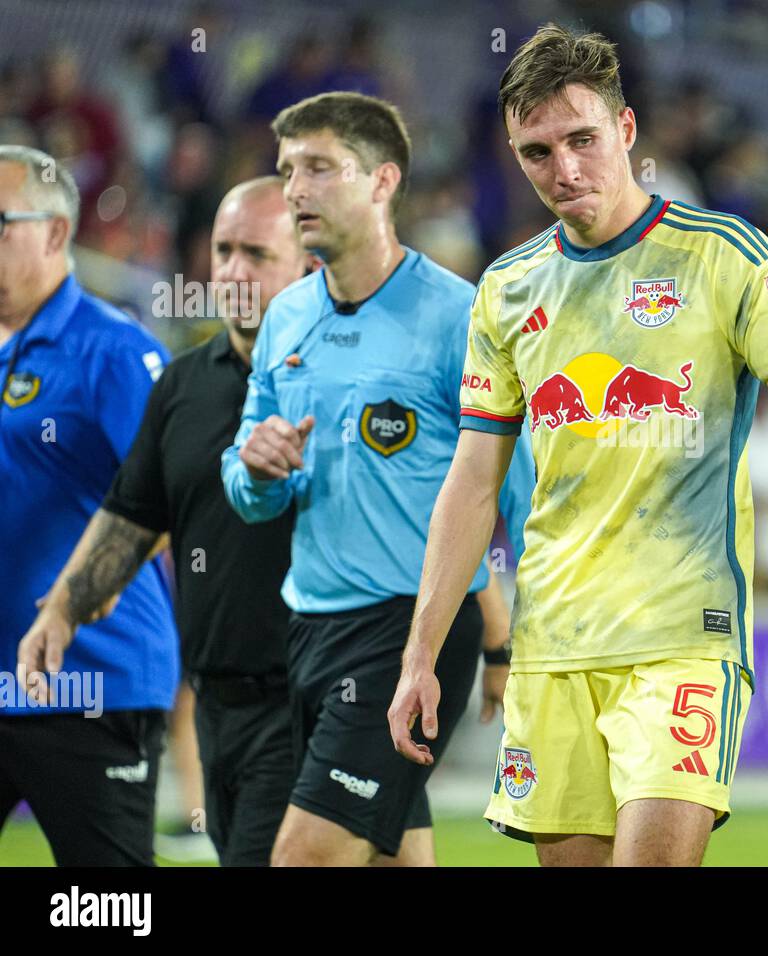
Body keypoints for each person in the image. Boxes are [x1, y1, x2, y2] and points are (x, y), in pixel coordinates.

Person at [388, 23, 768, 867]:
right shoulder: (506, 290)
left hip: (684, 634)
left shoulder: (724, 255)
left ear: (627, 130)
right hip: (554, 645)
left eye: (581, 140)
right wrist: (421, 651)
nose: (564, 170)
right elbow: (471, 483)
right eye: (536, 152)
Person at [222, 92, 532, 867]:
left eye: (320, 168)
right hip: (311, 626)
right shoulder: (286, 320)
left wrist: (523, 637)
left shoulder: (461, 316)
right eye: (288, 170)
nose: (295, 190)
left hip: (412, 630)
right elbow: (249, 490)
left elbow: (521, 487)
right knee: (395, 858)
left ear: (383, 181)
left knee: (304, 857)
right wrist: (257, 468)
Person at [18, 176, 311, 866]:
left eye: (257, 255)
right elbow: (131, 511)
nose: (233, 271)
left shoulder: (340, 376)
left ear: (309, 264)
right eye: (223, 250)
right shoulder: (184, 384)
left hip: (311, 694)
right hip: (219, 701)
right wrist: (62, 610)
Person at [0, 145, 177, 866]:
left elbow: (166, 499)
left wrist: (78, 596)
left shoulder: (113, 351)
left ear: (53, 232)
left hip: (90, 682)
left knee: (105, 907)